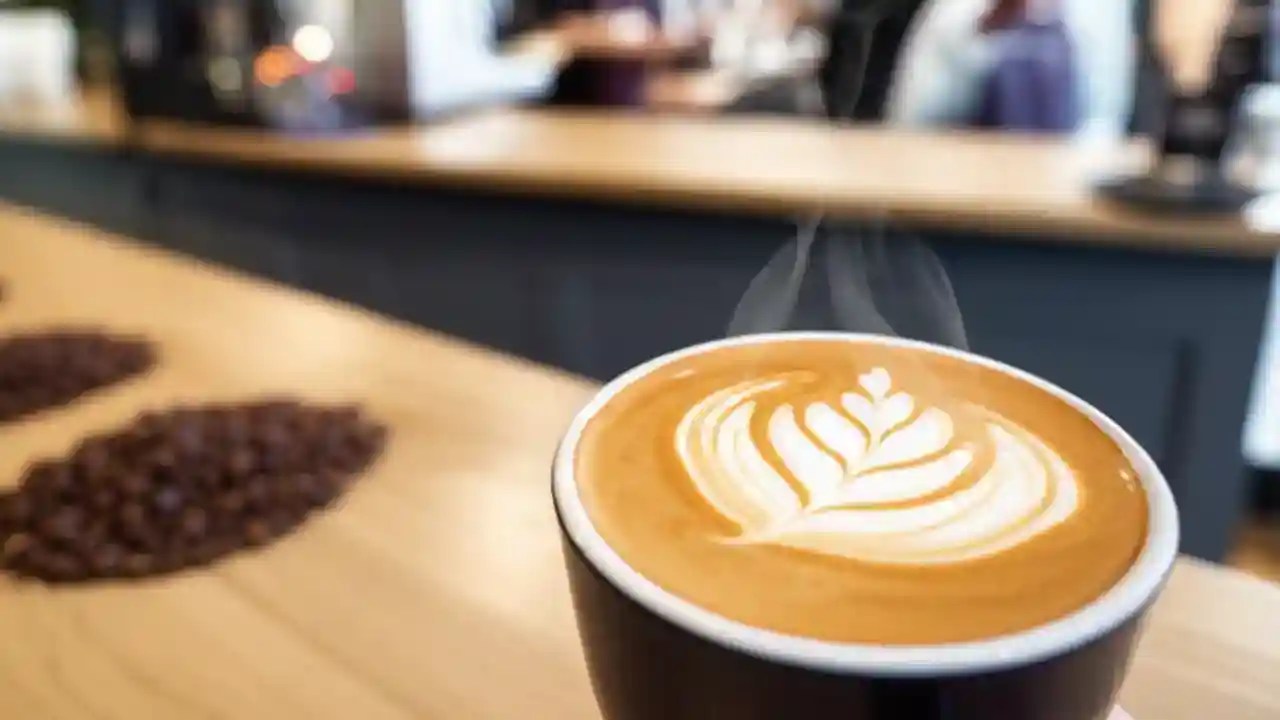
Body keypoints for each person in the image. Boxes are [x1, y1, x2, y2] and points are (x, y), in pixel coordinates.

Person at [885, 0, 1137, 138]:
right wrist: (983, 31)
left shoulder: (1104, 10)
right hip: (962, 189)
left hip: (1069, 195)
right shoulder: (954, 11)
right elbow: (912, 124)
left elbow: (1105, 123)